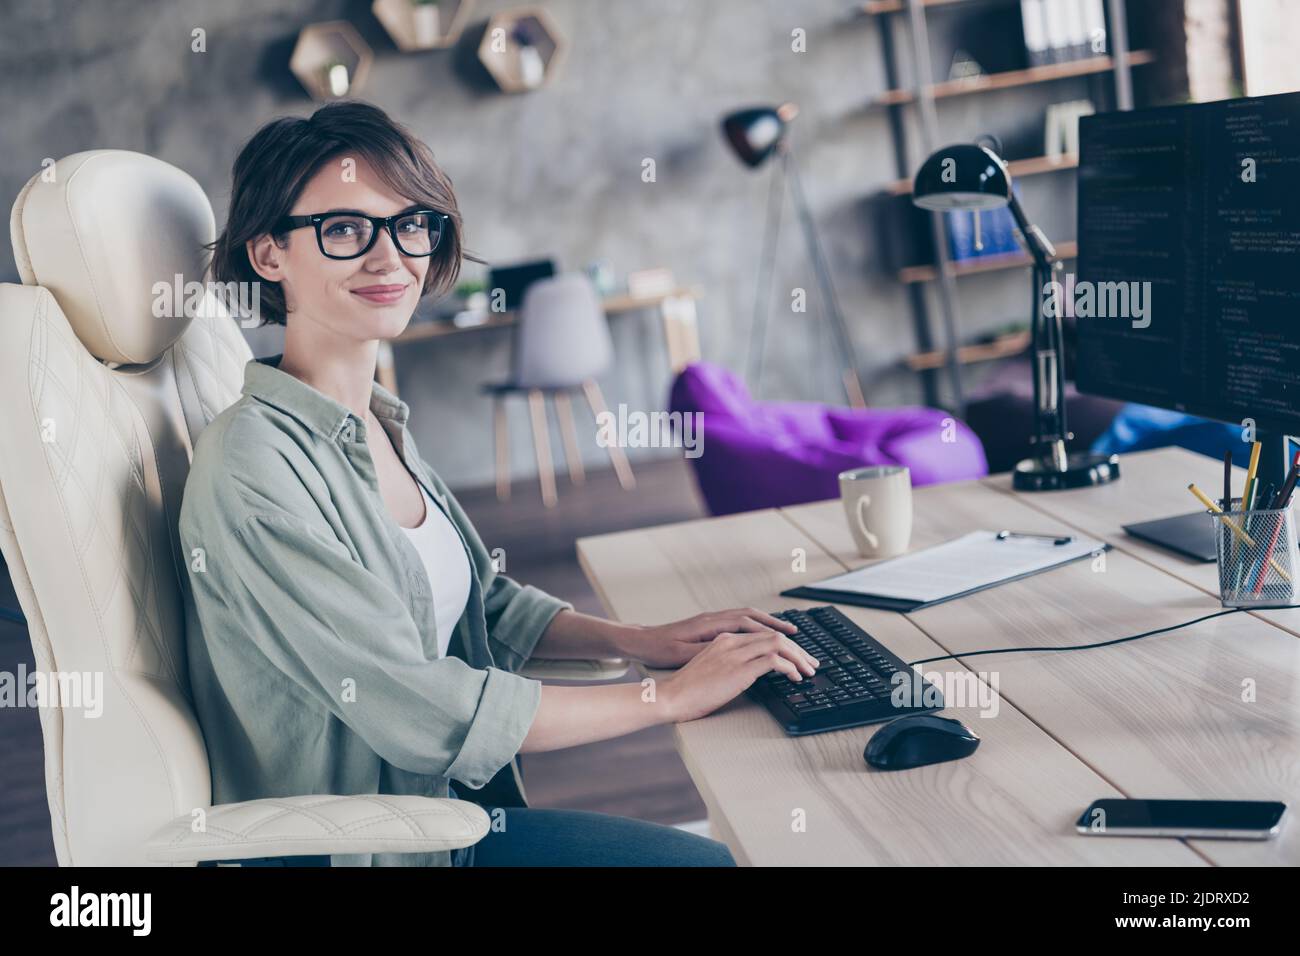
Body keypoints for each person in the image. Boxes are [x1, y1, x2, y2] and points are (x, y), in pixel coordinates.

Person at [179, 101, 819, 867]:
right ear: (269, 254)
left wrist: (646, 643)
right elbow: (416, 707)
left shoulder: (377, 421)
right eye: (345, 230)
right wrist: (669, 699)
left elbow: (486, 602)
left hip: (453, 815)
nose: (392, 259)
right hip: (377, 850)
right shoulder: (253, 464)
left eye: (411, 223)